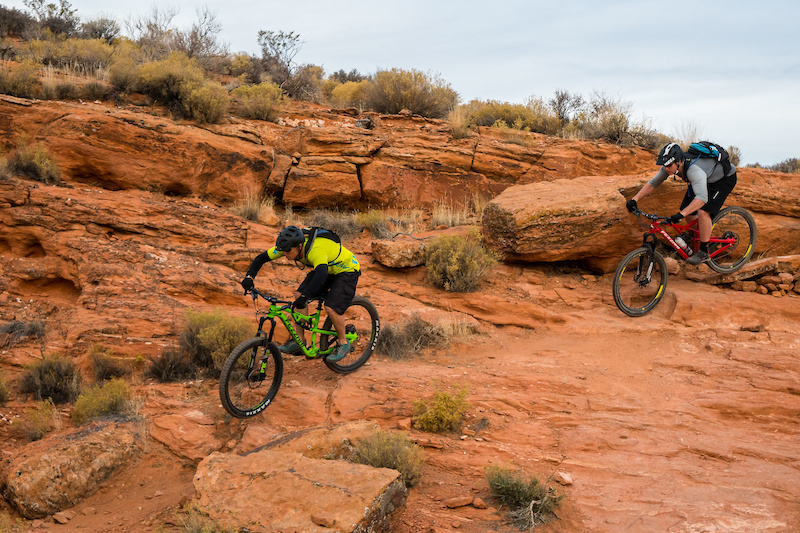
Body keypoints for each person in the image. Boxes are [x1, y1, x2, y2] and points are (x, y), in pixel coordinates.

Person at [240, 225, 361, 362]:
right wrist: (249, 277)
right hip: (327, 268)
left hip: (346, 269)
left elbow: (321, 274)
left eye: (287, 251)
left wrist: (306, 296)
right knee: (299, 295)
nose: (284, 254)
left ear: (299, 246)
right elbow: (261, 258)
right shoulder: (288, 246)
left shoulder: (316, 250)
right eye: (283, 251)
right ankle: (299, 341)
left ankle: (343, 342)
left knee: (331, 307)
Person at [625, 142, 737, 265]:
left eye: (669, 165)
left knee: (703, 212)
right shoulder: (670, 167)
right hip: (705, 178)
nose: (666, 168)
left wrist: (681, 215)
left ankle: (704, 251)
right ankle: (700, 236)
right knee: (687, 209)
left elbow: (702, 198)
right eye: (664, 165)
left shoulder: (693, 170)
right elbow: (653, 183)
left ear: (678, 161)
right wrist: (635, 199)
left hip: (723, 179)